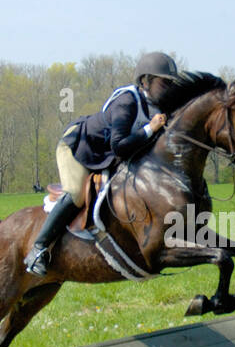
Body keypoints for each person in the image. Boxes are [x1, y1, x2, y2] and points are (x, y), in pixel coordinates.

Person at [23, 52, 180, 276]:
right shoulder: (127, 101)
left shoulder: (157, 106)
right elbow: (119, 145)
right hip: (79, 148)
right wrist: (149, 129)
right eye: (165, 82)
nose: (169, 88)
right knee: (77, 194)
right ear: (145, 81)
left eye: (171, 83)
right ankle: (37, 250)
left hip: (106, 156)